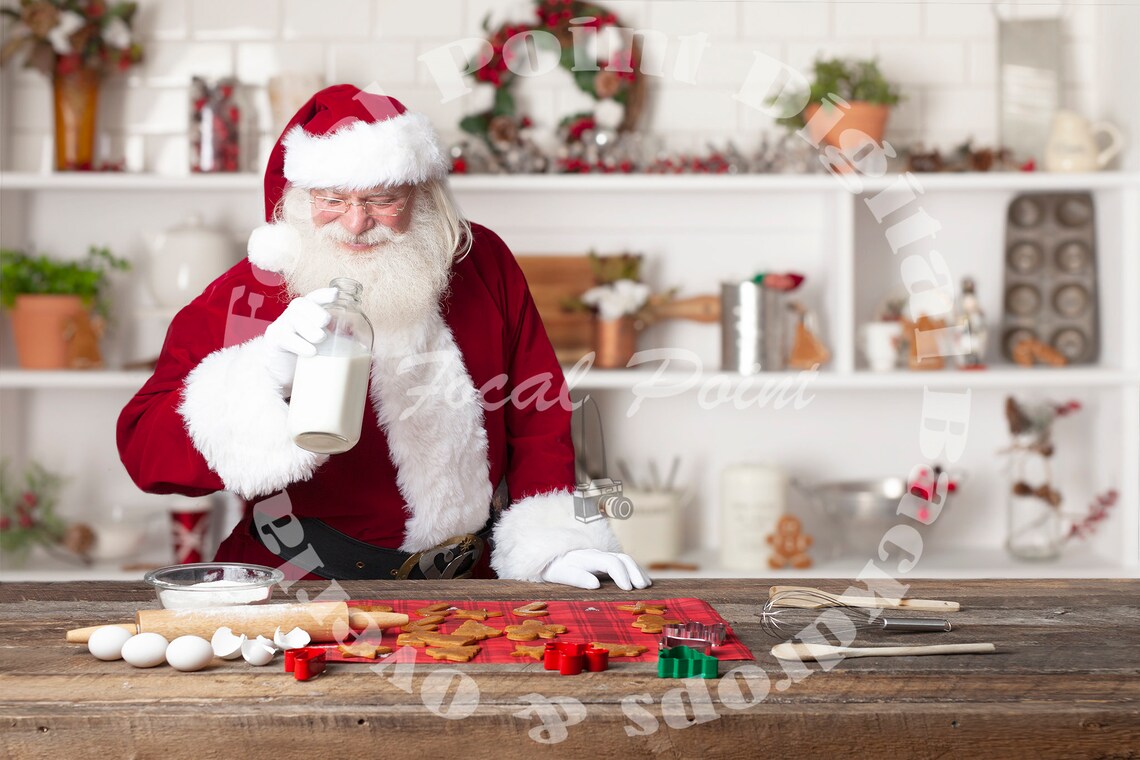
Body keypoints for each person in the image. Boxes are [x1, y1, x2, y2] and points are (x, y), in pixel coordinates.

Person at [117, 85, 650, 590]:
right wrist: (260, 377)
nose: (354, 224)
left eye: (380, 199)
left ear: (421, 192)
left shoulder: (481, 263)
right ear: (299, 196)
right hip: (299, 584)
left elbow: (537, 417)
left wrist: (552, 544)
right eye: (332, 198)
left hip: (469, 585)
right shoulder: (246, 294)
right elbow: (144, 450)